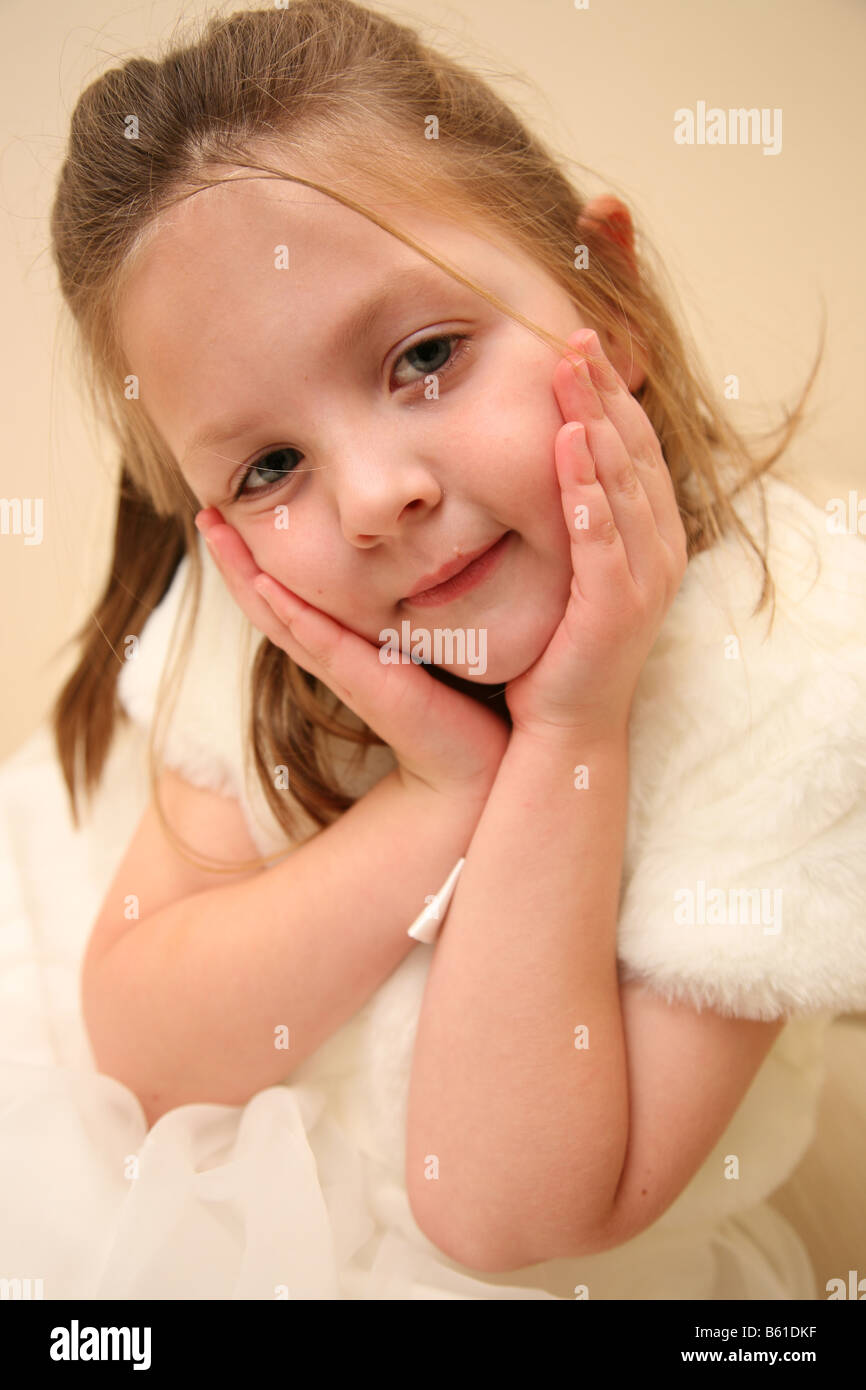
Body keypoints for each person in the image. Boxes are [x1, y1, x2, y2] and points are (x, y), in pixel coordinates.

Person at [40, 0, 865, 1298]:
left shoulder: (793, 667)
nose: (369, 497)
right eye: (268, 464)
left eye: (425, 356)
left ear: (612, 297)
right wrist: (441, 795)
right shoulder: (275, 603)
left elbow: (503, 1209)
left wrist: (567, 735)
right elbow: (142, 1050)